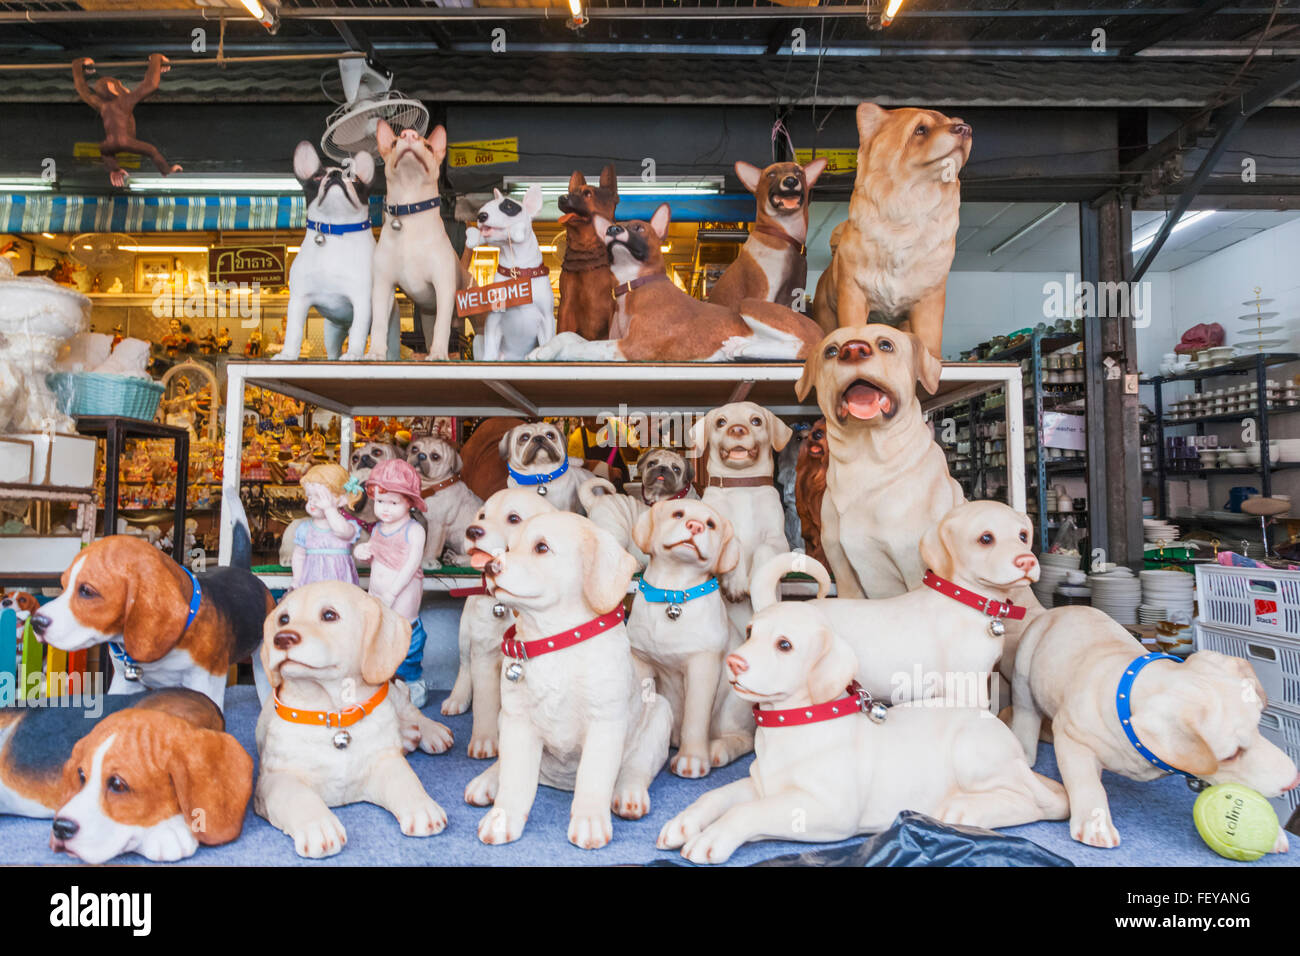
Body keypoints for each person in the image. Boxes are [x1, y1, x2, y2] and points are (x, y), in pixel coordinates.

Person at [354, 458, 430, 709]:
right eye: (380, 502)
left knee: (405, 637)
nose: (385, 509)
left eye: (393, 502)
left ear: (410, 502)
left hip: (401, 597)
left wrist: (391, 593)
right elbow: (373, 553)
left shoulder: (413, 530)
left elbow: (410, 566)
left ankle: (410, 681)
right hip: (379, 597)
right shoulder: (378, 528)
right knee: (379, 637)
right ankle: (382, 680)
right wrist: (363, 551)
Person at [291, 463, 362, 588]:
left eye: (319, 496)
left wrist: (329, 509)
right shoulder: (305, 529)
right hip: (312, 582)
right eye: (309, 497)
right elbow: (299, 555)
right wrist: (297, 580)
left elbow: (342, 531)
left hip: (340, 583)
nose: (312, 501)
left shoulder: (347, 525)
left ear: (341, 499)